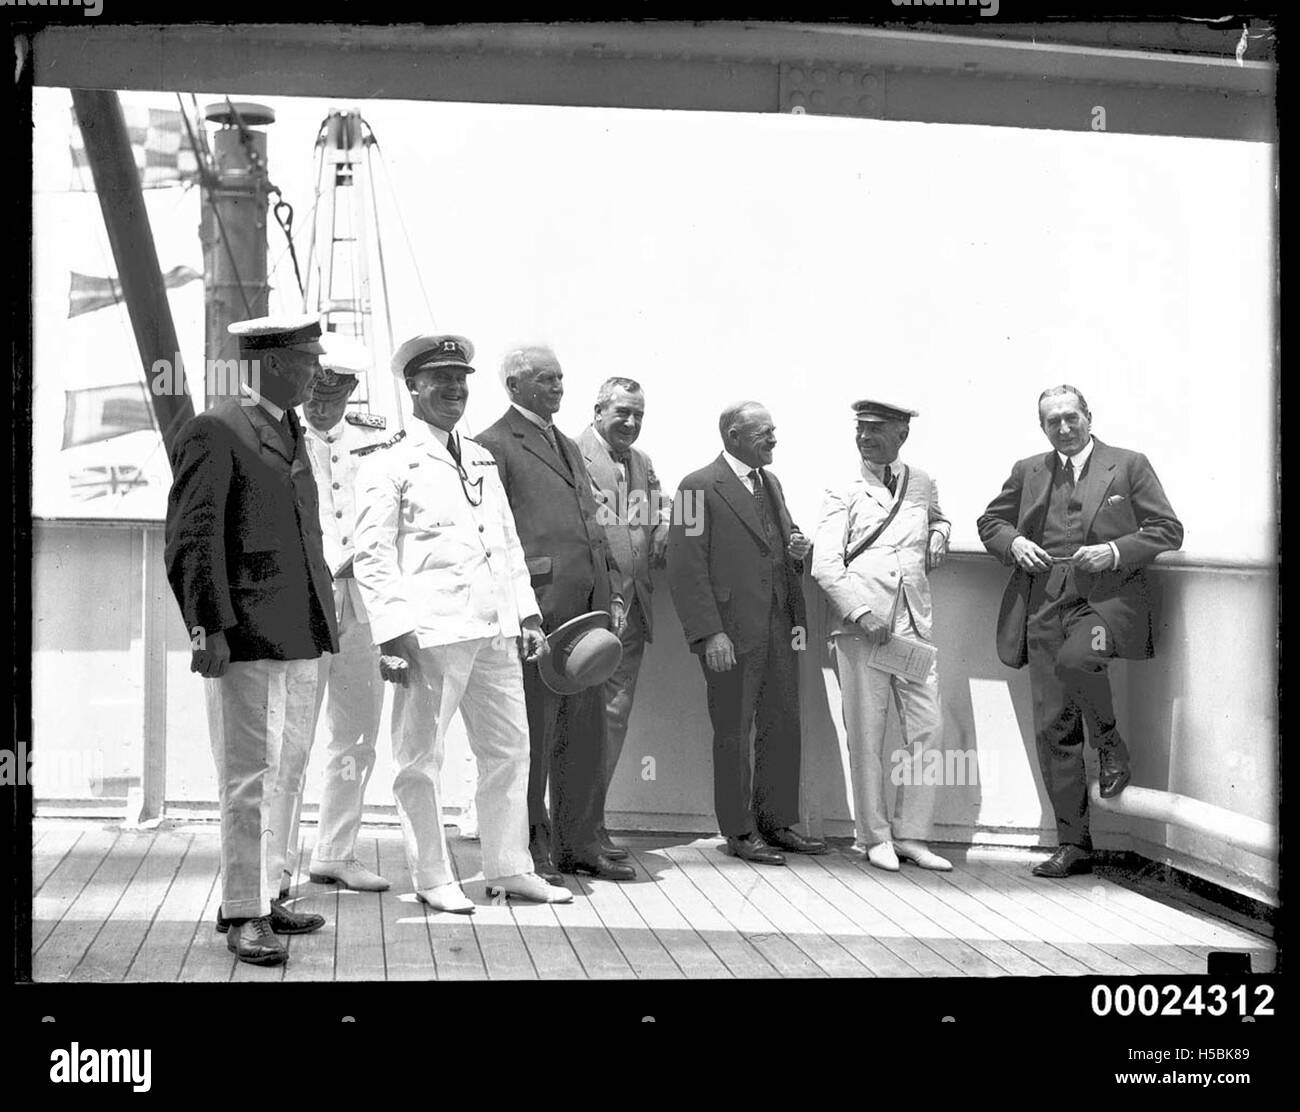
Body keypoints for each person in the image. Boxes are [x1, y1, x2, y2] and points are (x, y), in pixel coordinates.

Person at [352, 333, 573, 910]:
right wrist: (392, 634)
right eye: (439, 380)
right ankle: (432, 877)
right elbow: (373, 555)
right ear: (413, 387)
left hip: (494, 629)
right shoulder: (388, 462)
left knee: (510, 751)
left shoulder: (477, 455)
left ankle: (509, 866)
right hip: (430, 635)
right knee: (420, 760)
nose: (453, 389)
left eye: (460, 379)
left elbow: (505, 539)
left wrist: (525, 612)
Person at [164, 313, 336, 966]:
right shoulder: (216, 430)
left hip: (299, 632)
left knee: (286, 774)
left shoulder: (293, 431)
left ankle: (268, 891)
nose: (316, 371)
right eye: (307, 360)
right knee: (248, 781)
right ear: (268, 364)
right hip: (247, 637)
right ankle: (243, 914)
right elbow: (191, 539)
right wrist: (206, 627)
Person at [977, 385, 1183, 878]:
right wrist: (1016, 543)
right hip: (1044, 602)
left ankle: (1110, 742)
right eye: (1053, 422)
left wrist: (1113, 551)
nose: (1064, 428)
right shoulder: (1029, 470)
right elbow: (990, 522)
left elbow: (1167, 530)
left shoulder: (1128, 464)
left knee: (1079, 659)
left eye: (1072, 418)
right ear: (1042, 427)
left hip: (1105, 604)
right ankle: (1075, 845)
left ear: (1089, 416)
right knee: (1054, 725)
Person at [476, 346, 635, 882]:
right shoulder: (493, 446)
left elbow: (595, 528)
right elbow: (491, 540)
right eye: (545, 379)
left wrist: (611, 591)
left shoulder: (566, 445)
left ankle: (578, 843)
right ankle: (532, 849)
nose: (558, 387)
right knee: (533, 740)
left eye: (561, 378)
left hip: (586, 621)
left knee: (583, 736)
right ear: (514, 385)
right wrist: (521, 612)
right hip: (538, 618)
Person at [666, 401, 827, 865]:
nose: (774, 440)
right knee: (733, 731)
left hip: (778, 626)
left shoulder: (769, 482)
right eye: (764, 433)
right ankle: (739, 832)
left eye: (774, 431)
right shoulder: (697, 486)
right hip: (730, 636)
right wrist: (709, 634)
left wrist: (798, 547)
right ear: (734, 436)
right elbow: (685, 567)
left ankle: (776, 823)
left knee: (782, 725)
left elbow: (780, 542)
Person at [811, 399, 953, 872]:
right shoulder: (842, 488)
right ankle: (874, 836)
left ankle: (912, 833)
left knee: (927, 729)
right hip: (864, 631)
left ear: (902, 435)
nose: (866, 437)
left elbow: (935, 515)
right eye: (861, 428)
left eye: (877, 429)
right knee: (868, 735)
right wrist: (859, 613)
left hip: (912, 624)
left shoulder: (922, 481)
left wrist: (940, 532)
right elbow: (825, 564)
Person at [296, 338, 393, 892]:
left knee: (356, 735)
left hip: (365, 604)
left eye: (333, 395)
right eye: (313, 392)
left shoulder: (379, 442)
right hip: (307, 602)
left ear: (351, 391)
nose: (321, 405)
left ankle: (335, 851)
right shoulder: (284, 437)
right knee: (293, 736)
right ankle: (276, 864)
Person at [576, 377, 670, 857]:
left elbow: (657, 508)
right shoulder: (572, 454)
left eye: (638, 415)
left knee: (613, 721)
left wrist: (667, 524)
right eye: (622, 413)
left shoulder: (642, 462)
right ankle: (566, 827)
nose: (631, 423)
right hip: (588, 614)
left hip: (633, 614)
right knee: (573, 725)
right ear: (597, 411)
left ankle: (592, 822)